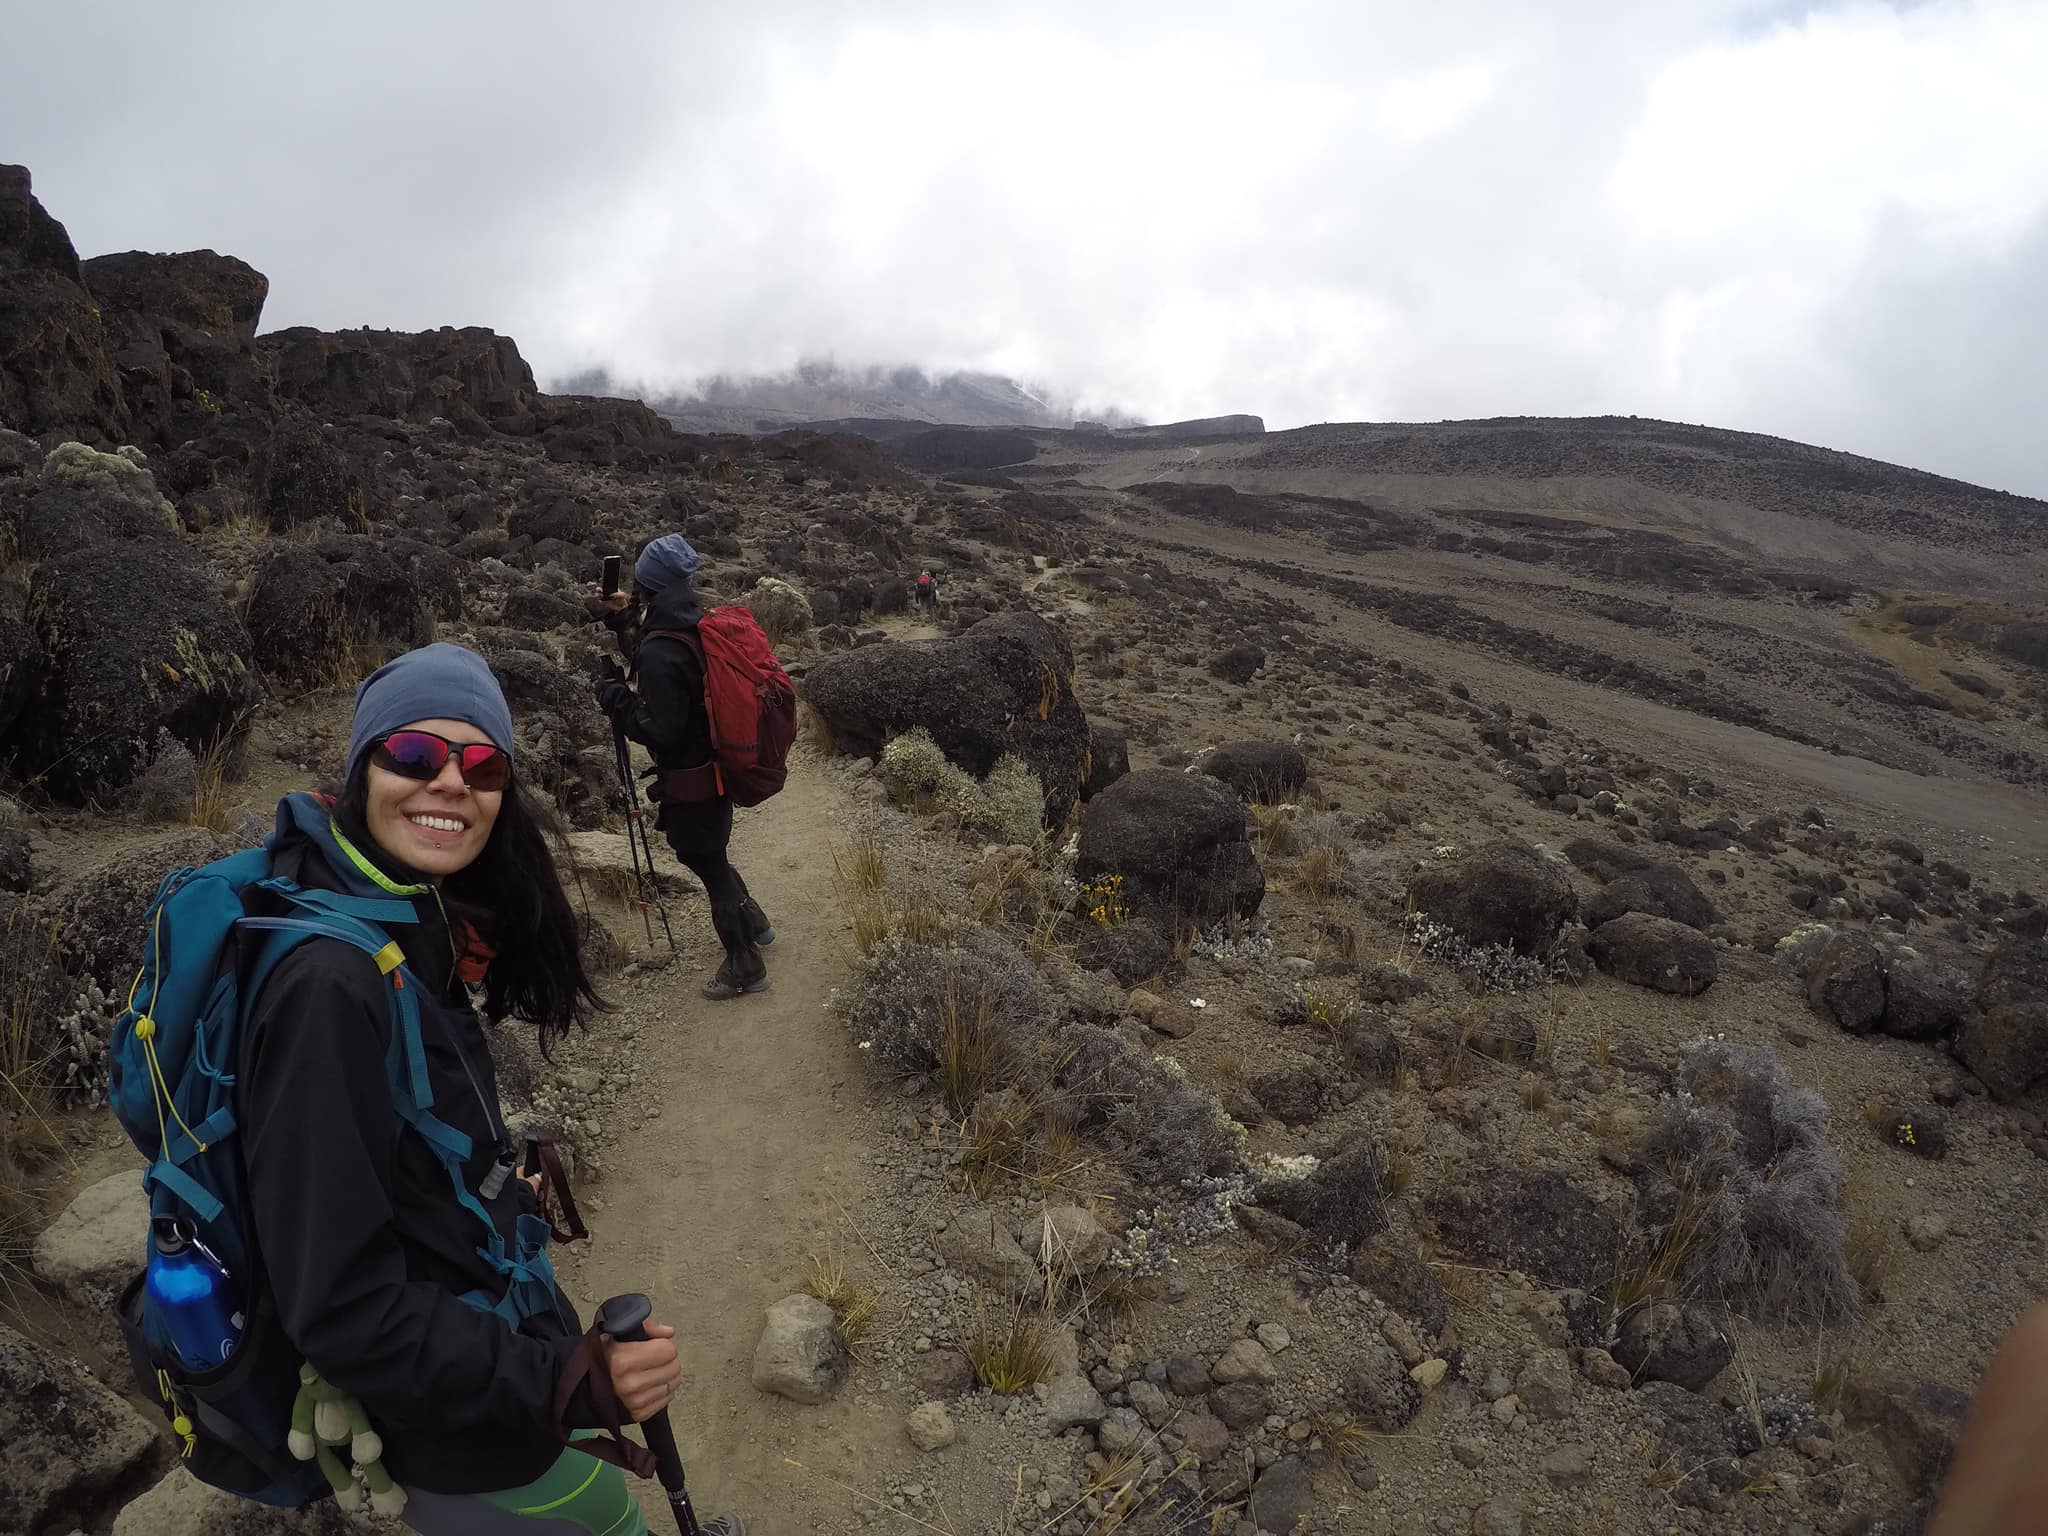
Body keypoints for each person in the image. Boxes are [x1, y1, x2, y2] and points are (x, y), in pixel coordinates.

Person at [237, 642, 740, 1535]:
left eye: (481, 764)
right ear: (362, 767)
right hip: (444, 1419)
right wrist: (563, 1383)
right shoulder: (329, 985)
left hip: (463, 1356)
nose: (450, 784)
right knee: (607, 1517)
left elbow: (389, 1146)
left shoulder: (389, 909)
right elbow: (344, 1308)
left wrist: (490, 1190)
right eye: (415, 756)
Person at [596, 534, 774, 1000]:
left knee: (706, 860)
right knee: (710, 855)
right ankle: (755, 923)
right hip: (714, 770)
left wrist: (613, 696)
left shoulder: (662, 646)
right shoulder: (694, 624)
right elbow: (663, 666)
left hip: (691, 779)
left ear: (647, 587)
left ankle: (744, 964)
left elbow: (661, 728)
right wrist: (624, 625)